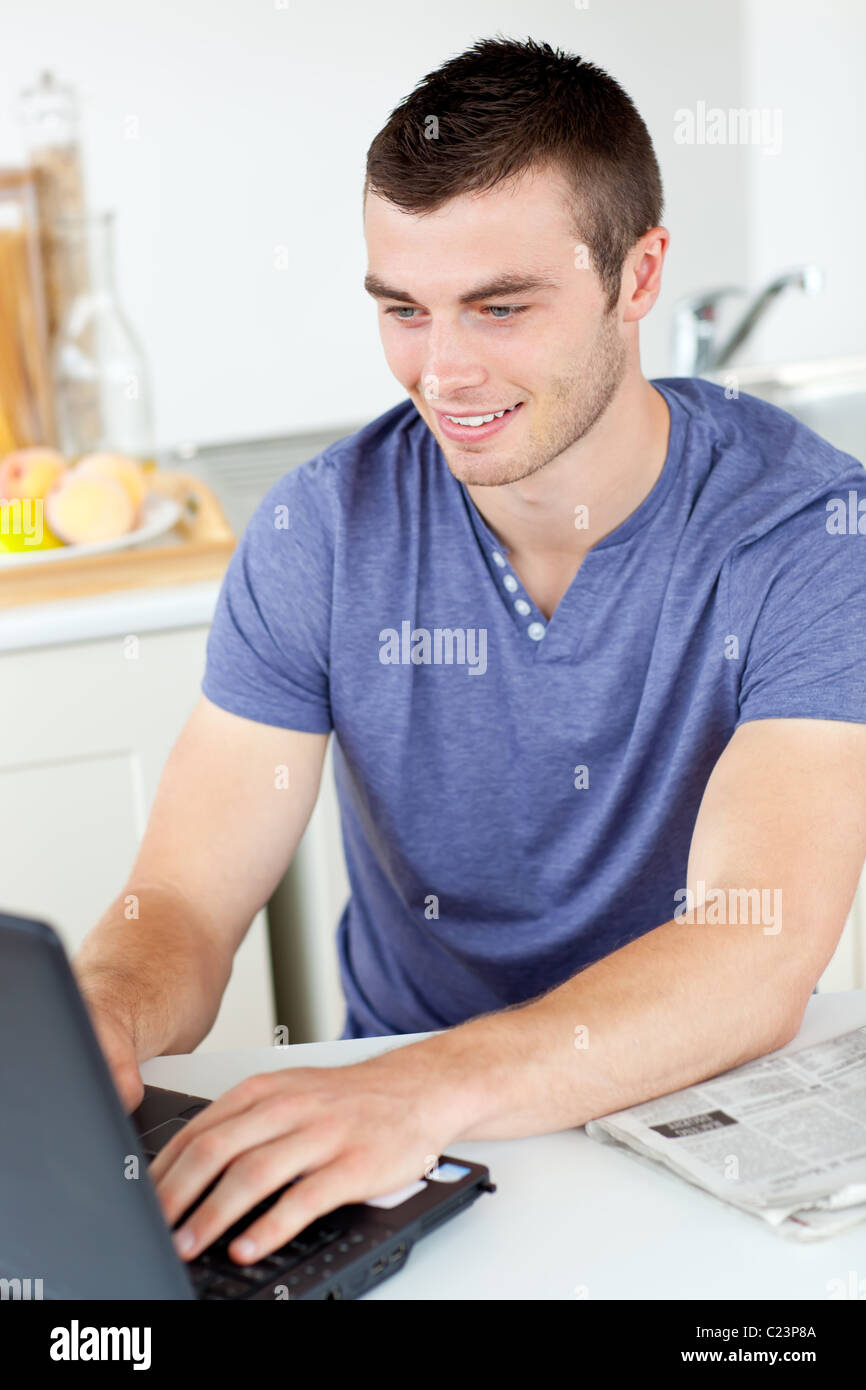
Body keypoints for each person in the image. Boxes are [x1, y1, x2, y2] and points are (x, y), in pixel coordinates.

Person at [75, 37, 866, 1270]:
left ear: (637, 271)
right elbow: (179, 898)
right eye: (403, 310)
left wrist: (418, 1089)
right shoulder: (319, 529)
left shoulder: (806, 533)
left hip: (683, 1123)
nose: (441, 372)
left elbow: (748, 950)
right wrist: (102, 1010)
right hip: (391, 1139)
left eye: (500, 307)